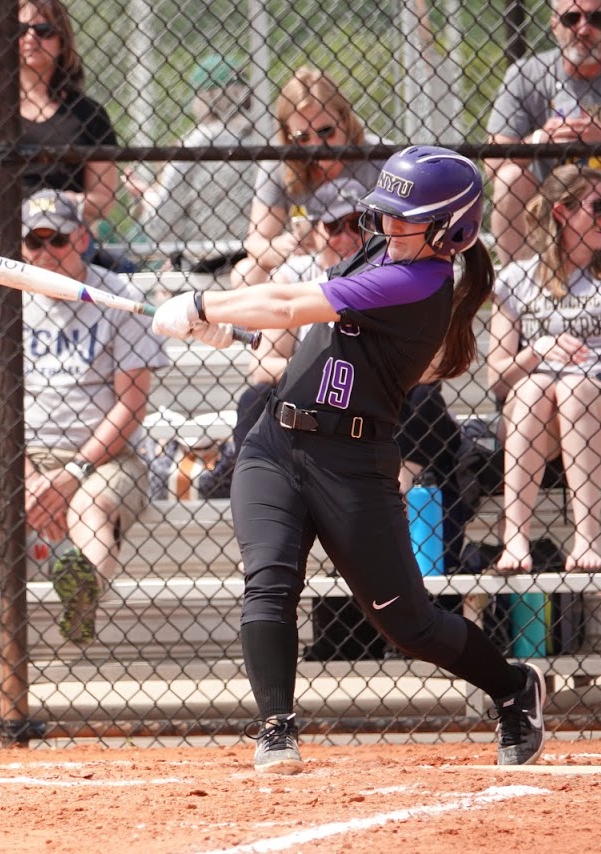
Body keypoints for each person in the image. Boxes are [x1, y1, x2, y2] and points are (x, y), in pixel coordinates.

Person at [151, 146, 546, 772]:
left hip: (353, 464)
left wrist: (203, 304)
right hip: (275, 446)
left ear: (452, 231)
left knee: (407, 624)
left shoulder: (418, 283)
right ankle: (276, 726)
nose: (386, 225)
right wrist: (236, 331)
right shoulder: (388, 249)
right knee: (269, 583)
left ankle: (511, 687)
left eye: (403, 217)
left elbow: (287, 303)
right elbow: (315, 331)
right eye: (384, 213)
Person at [0, 190, 168, 649]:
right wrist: (21, 470)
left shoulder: (119, 297)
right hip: (20, 454)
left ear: (81, 238)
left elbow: (131, 405)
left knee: (90, 508)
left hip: (106, 460)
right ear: (19, 247)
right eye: (33, 242)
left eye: (57, 240)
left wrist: (73, 473)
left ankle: (82, 594)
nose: (44, 252)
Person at [487, 164, 601, 574]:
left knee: (574, 390)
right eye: (599, 207)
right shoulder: (516, 279)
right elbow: (496, 377)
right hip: (528, 419)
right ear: (561, 212)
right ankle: (515, 539)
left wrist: (597, 380)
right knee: (535, 389)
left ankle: (587, 539)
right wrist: (538, 351)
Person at [0, 0, 119, 350]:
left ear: (62, 40)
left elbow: (105, 197)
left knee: (60, 248)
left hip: (54, 229)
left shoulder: (88, 114)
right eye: (20, 30)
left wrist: (70, 204)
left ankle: (48, 342)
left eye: (44, 29)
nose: (31, 38)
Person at [484, 0, 601, 271]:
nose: (583, 29)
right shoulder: (525, 75)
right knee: (509, 178)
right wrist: (541, 141)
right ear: (554, 25)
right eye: (571, 18)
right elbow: (492, 164)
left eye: (596, 19)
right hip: (549, 207)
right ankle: (524, 295)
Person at [231, 68, 384, 409]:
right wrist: (283, 247)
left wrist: (351, 233)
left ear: (345, 120)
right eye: (302, 136)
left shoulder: (375, 157)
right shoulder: (280, 163)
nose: (316, 144)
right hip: (307, 263)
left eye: (326, 131)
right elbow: (256, 239)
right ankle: (263, 345)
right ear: (288, 135)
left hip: (370, 264)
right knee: (244, 272)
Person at [123, 54, 262, 274]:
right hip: (260, 262)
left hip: (206, 268)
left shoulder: (198, 141)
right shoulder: (268, 137)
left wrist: (146, 195)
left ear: (203, 97)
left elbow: (161, 227)